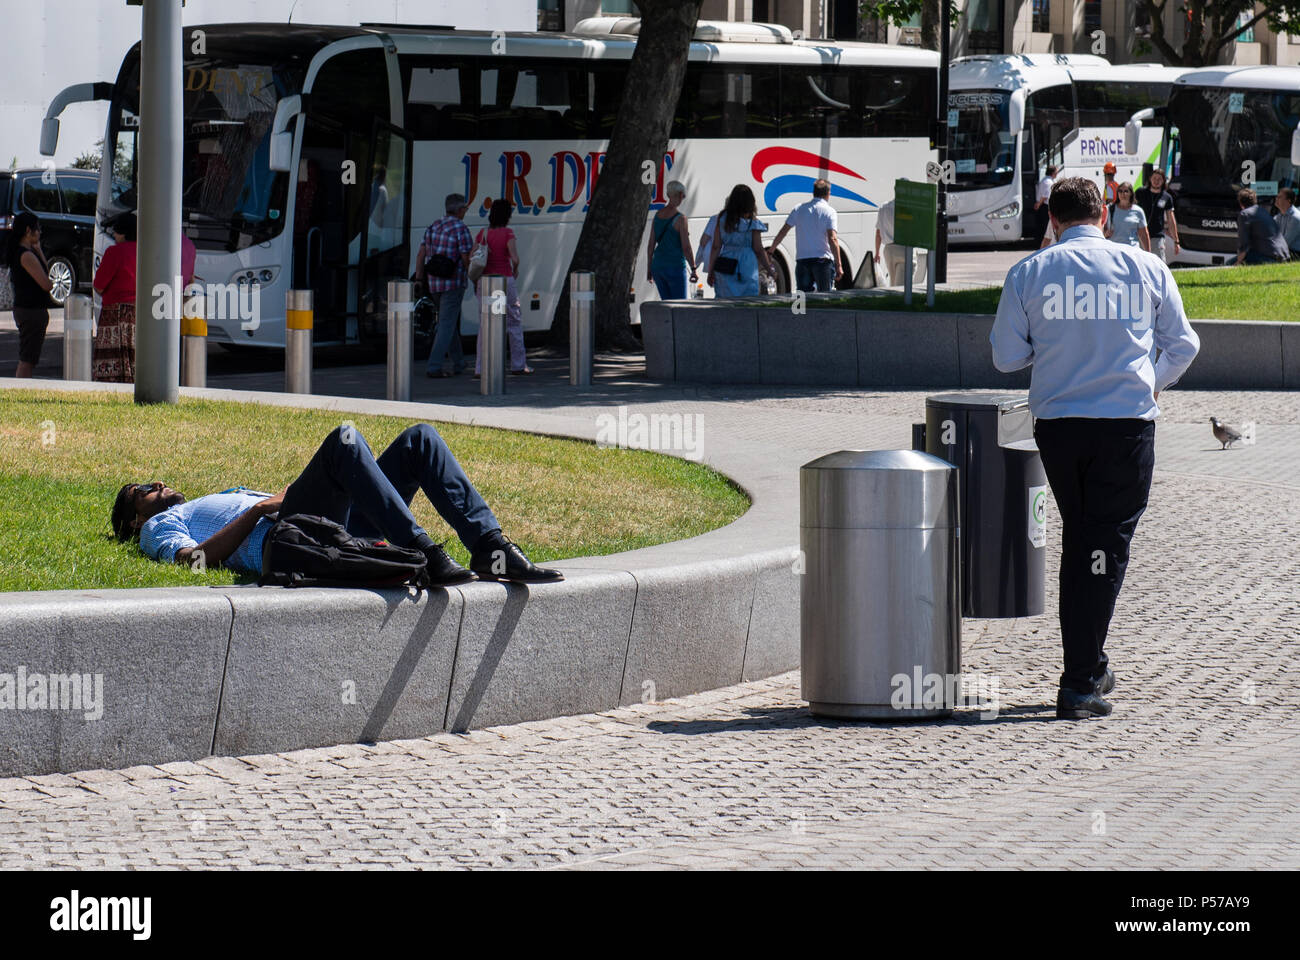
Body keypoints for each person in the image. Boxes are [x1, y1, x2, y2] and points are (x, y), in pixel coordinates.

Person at [989, 176, 1200, 720]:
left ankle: (1091, 661)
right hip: (1125, 426)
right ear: (1104, 214)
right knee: (1102, 546)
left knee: (1084, 542)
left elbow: (1006, 358)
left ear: (1052, 220)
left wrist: (1053, 344)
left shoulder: (1028, 273)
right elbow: (1184, 344)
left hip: (1059, 427)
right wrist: (1149, 381)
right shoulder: (1147, 268)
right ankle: (1080, 681)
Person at [110, 423, 562, 585]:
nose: (158, 484)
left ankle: (491, 548)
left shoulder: (213, 497)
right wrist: (256, 509)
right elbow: (195, 564)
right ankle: (423, 549)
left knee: (420, 439)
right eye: (143, 491)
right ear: (134, 521)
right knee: (345, 439)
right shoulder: (158, 528)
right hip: (289, 536)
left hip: (328, 524)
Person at [415, 193, 473, 378]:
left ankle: (459, 362)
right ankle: (434, 366)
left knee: (448, 322)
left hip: (434, 282)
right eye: (465, 208)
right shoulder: (461, 228)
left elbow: (421, 255)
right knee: (446, 324)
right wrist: (475, 277)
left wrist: (418, 279)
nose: (465, 211)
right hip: (453, 282)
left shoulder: (433, 226)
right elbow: (466, 259)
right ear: (459, 210)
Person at [474, 198, 532, 376]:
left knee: (486, 324)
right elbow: (514, 258)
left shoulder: (482, 234)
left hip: (484, 281)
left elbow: (473, 256)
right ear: (507, 216)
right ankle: (518, 364)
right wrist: (515, 270)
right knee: (513, 321)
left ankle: (480, 367)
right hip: (504, 280)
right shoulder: (508, 233)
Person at [766, 179, 841, 292]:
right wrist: (839, 264)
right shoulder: (830, 211)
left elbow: (783, 231)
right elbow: (833, 238)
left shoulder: (798, 209)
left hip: (803, 261)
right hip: (822, 261)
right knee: (825, 298)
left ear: (813, 192)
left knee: (802, 298)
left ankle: (802, 310)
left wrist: (771, 250)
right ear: (828, 193)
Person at [91, 212, 139, 382]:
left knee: (112, 359)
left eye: (116, 232)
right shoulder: (146, 251)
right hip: (139, 313)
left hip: (115, 313)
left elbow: (99, 285)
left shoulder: (114, 252)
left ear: (123, 233)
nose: (114, 235)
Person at [7, 212, 55, 378]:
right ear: (29, 230)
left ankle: (23, 385)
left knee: (30, 356)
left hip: (31, 309)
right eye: (38, 229)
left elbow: (45, 272)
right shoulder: (25, 255)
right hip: (31, 310)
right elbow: (46, 283)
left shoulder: (28, 252)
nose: (40, 232)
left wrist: (39, 250)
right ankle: (21, 387)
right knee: (27, 358)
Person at [706, 185, 774, 298]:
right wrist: (769, 270)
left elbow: (716, 246)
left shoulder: (722, 219)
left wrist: (710, 270)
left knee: (725, 301)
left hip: (726, 263)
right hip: (748, 264)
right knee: (748, 301)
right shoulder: (753, 222)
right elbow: (758, 249)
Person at [1134, 169, 1181, 263]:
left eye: (1159, 179)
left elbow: (1171, 220)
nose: (1156, 181)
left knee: (1159, 263)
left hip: (1157, 236)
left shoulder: (1167, 197)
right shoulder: (1140, 192)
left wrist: (1176, 241)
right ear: (1150, 179)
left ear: (1163, 181)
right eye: (1154, 178)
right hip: (1140, 234)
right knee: (1140, 262)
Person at [1234, 188, 1290, 265]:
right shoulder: (1263, 211)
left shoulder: (1244, 214)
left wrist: (1238, 262)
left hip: (1269, 258)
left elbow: (1244, 244)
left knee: (1229, 263)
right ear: (1255, 200)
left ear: (1240, 203)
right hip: (1284, 256)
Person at [1104, 183, 1150, 251]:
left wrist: (1148, 253)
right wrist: (1105, 233)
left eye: (1126, 191)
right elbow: (1101, 229)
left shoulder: (1138, 211)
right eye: (1120, 191)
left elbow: (1144, 234)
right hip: (1114, 250)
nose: (1123, 194)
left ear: (1131, 193)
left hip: (1132, 250)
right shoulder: (1109, 209)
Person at [874, 198, 910, 285]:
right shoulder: (908, 207)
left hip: (889, 250)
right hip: (904, 249)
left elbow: (878, 233)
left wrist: (877, 252)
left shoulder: (884, 207)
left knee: (893, 282)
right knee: (902, 286)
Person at [1034, 164, 1059, 242]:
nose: (1057, 174)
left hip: (1042, 205)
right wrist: (1038, 205)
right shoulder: (1048, 182)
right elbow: (1045, 196)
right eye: (1056, 172)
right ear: (1053, 173)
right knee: (1045, 226)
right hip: (1044, 205)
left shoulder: (1045, 180)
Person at [1273, 187, 1300, 257]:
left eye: (1280, 197)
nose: (1276, 198)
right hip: (1284, 250)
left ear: (1288, 200)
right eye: (1277, 196)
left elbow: (1285, 243)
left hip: (1295, 253)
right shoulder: (1278, 217)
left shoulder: (1295, 218)